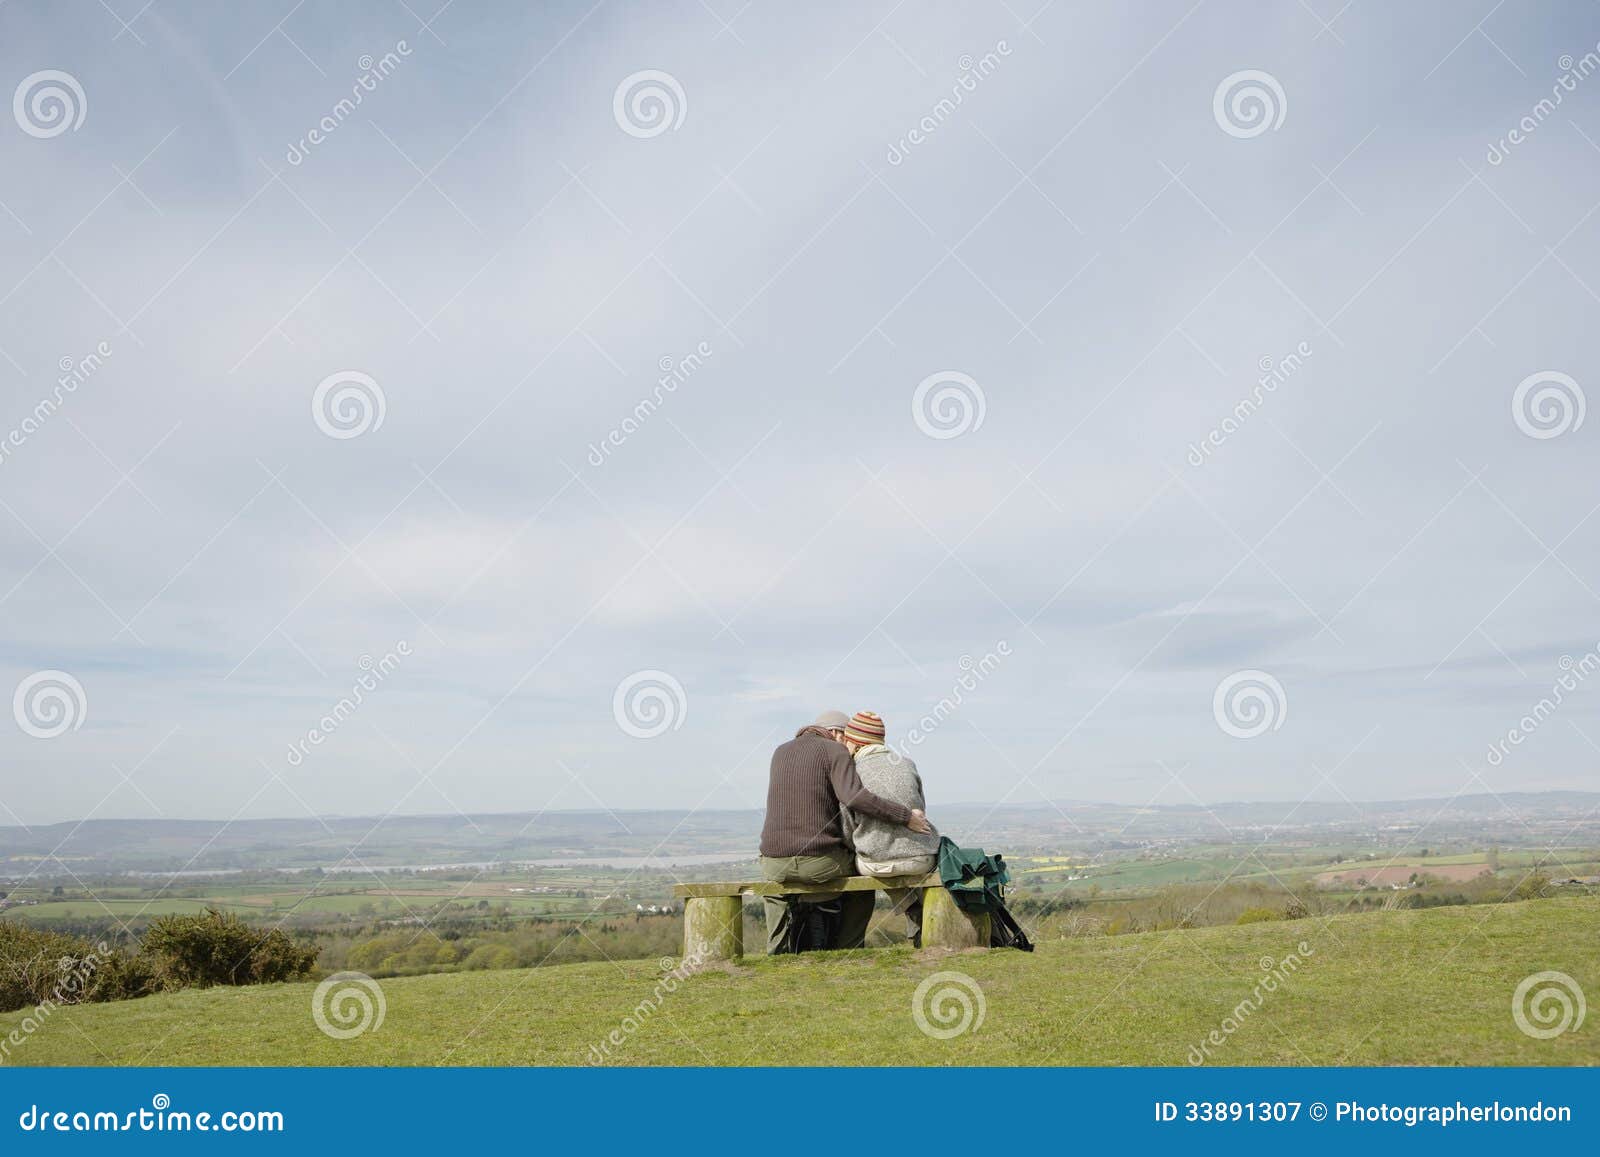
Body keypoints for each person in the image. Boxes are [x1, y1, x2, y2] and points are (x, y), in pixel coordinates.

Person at [758, 709, 932, 953]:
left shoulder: (781, 751)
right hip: (819, 863)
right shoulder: (834, 750)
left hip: (773, 863)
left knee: (776, 893)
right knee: (863, 879)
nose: (849, 745)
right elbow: (853, 797)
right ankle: (848, 949)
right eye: (846, 736)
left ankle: (775, 952)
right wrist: (904, 817)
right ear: (837, 733)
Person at [839, 710, 940, 946]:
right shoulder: (907, 764)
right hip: (920, 857)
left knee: (879, 860)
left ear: (854, 742)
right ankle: (919, 923)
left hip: (875, 862)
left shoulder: (850, 773)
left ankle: (912, 912)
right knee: (899, 863)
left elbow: (846, 826)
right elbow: (920, 809)